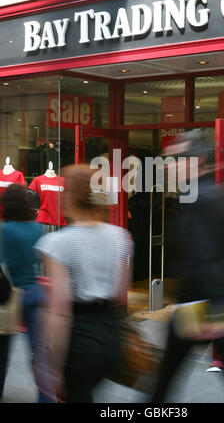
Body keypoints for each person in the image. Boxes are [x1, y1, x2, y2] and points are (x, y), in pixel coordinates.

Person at [151, 129, 224, 403]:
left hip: (199, 302)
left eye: (177, 159)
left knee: (167, 375)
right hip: (210, 299)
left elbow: (206, 255)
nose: (171, 166)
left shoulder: (200, 198)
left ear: (196, 160)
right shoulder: (209, 193)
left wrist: (211, 304)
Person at [35, 164, 132, 403]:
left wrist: (54, 368)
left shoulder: (56, 243)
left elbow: (60, 313)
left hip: (79, 340)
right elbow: (120, 291)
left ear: (69, 197)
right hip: (110, 336)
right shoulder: (121, 237)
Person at [0, 183, 56, 403]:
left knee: (3, 351)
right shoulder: (37, 228)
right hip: (37, 292)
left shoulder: (5, 230)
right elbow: (42, 261)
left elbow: (3, 265)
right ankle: (45, 397)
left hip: (11, 296)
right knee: (39, 352)